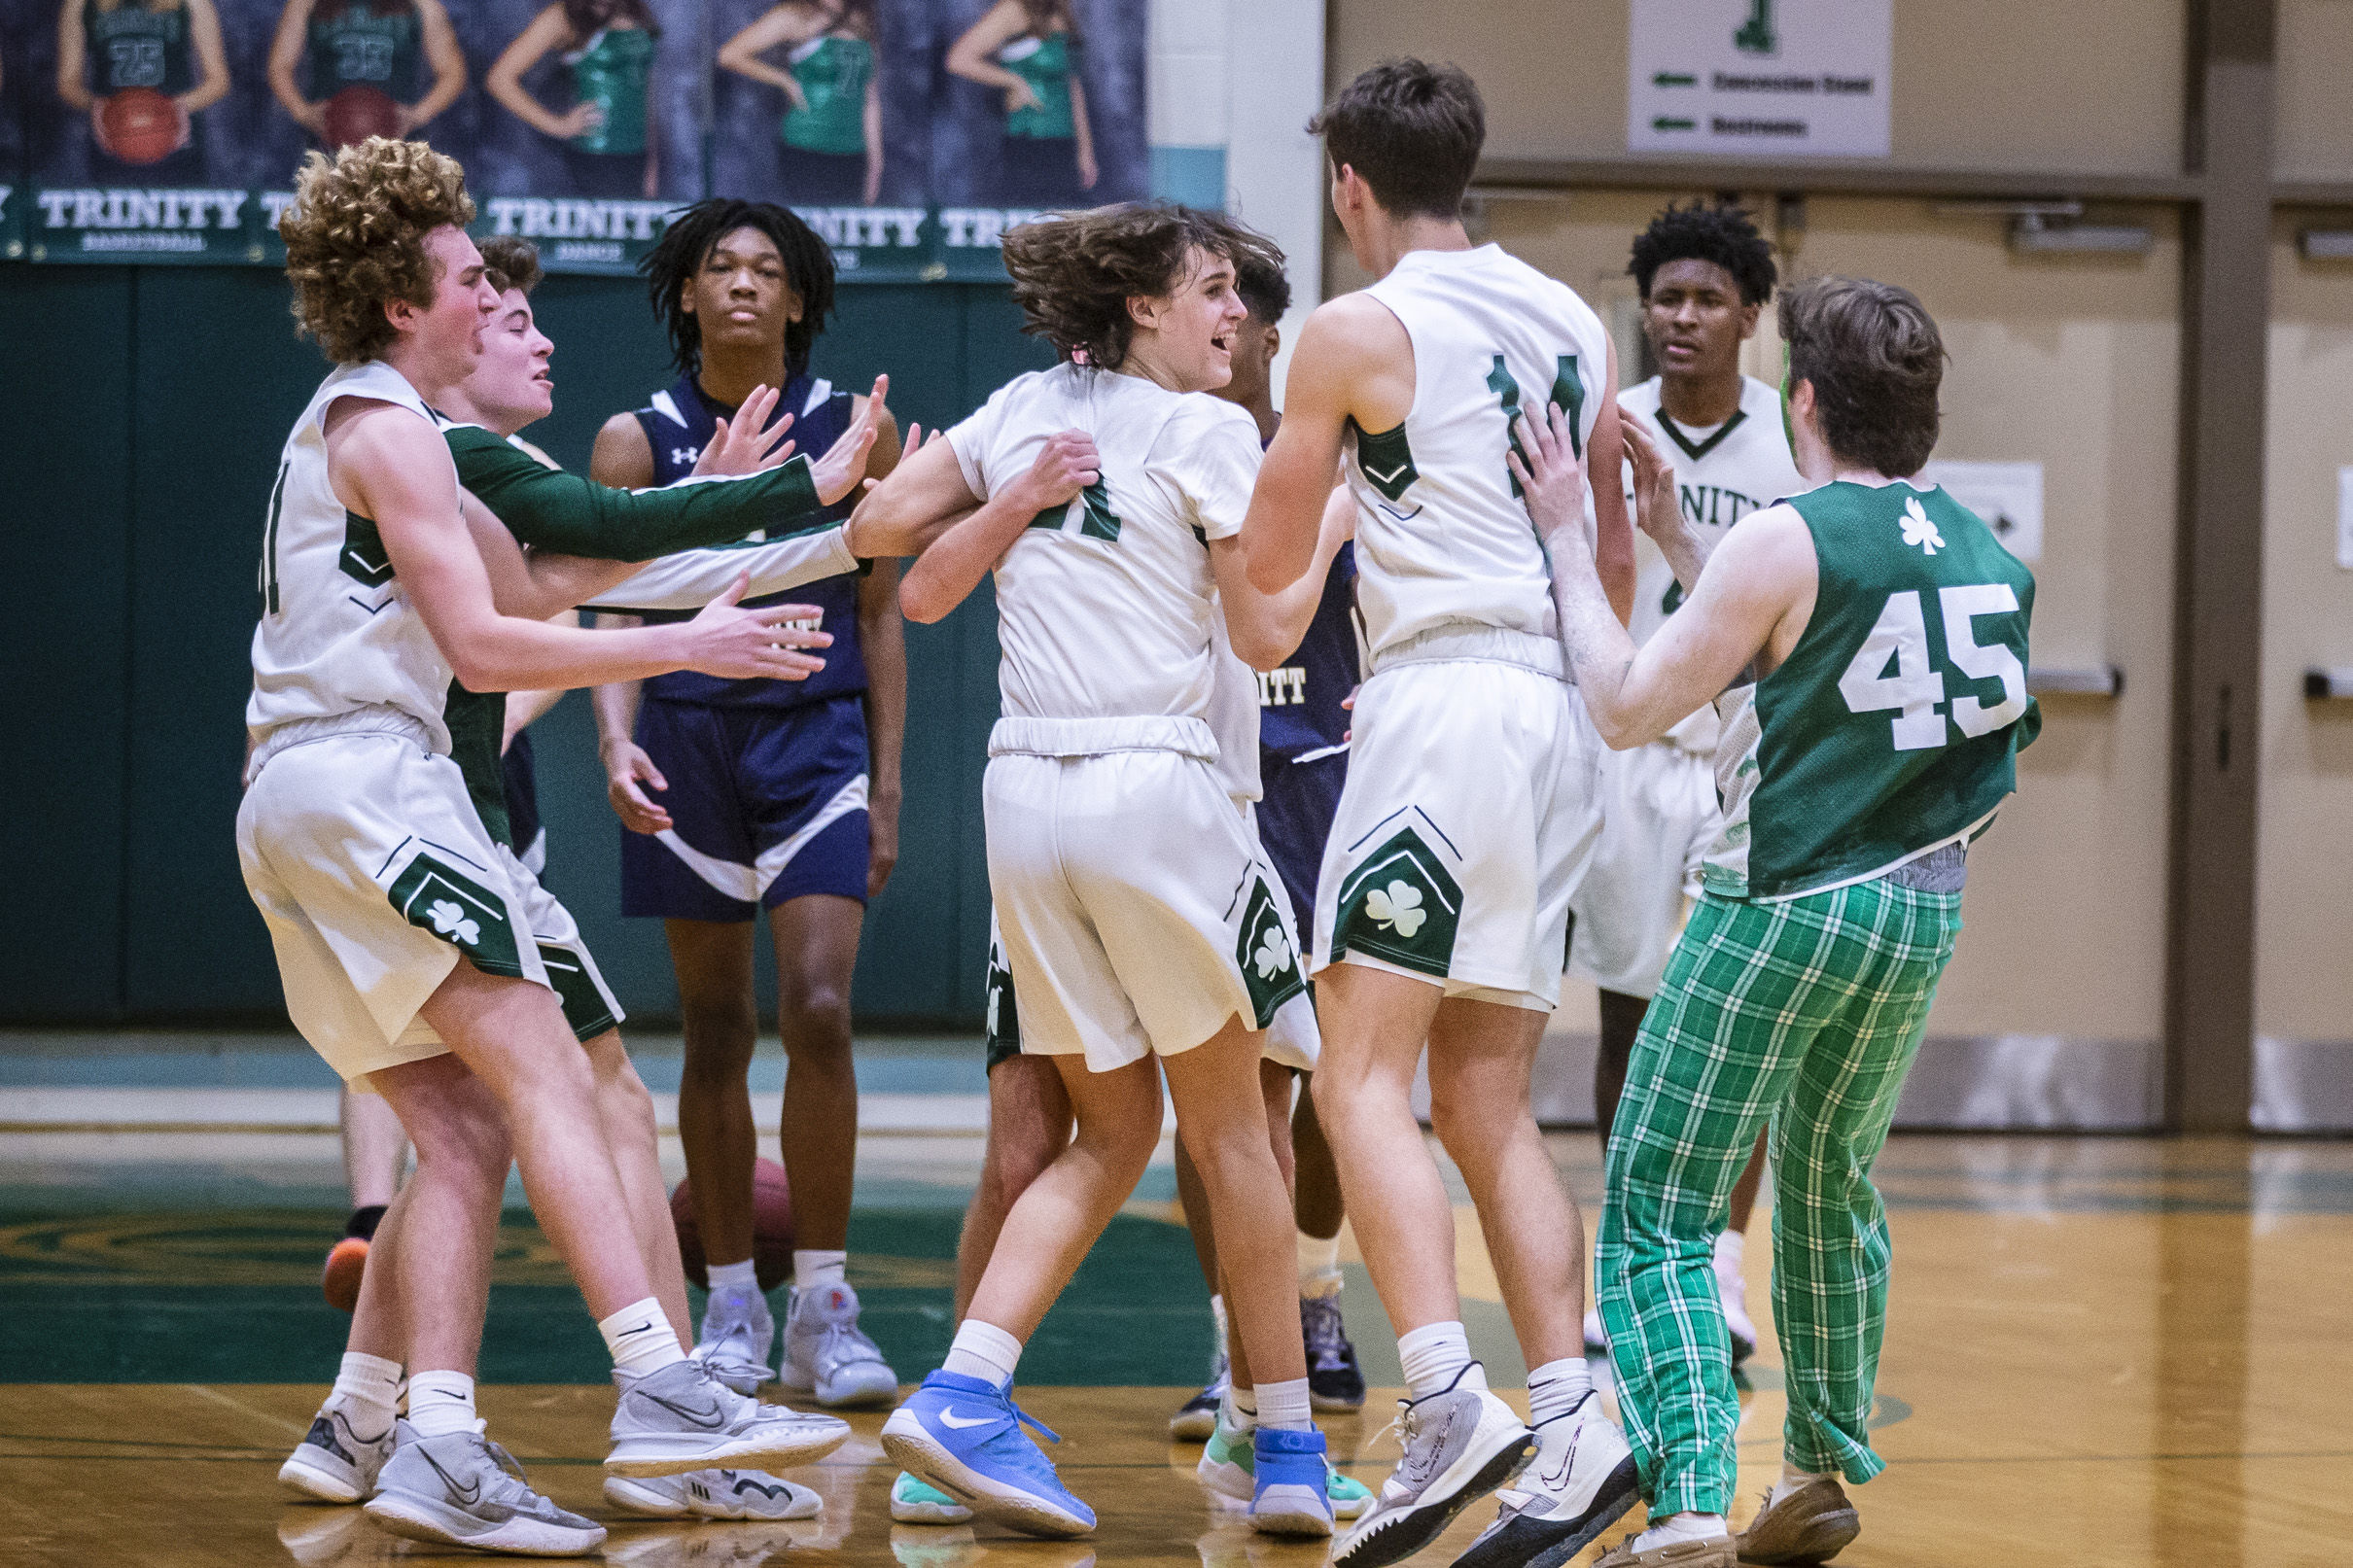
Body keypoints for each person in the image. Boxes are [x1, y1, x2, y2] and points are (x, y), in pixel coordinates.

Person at [242, 138, 869, 1554]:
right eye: (471, 278)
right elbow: (489, 642)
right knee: (555, 1077)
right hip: (370, 782)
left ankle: (418, 1433)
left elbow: (562, 574)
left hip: (312, 797)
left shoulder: (376, 427)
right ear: (403, 302)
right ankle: (660, 1386)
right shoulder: (391, 427)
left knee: (465, 1124)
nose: (493, 296)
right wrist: (697, 635)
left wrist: (757, 533)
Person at [1515, 275, 2036, 1568]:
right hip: (1920, 908)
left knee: (1658, 1199)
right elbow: (1822, 657)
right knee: (1826, 1181)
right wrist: (1679, 540)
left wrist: (1572, 538)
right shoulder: (1986, 553)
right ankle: (1813, 1467)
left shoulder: (1785, 535)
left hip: (1784, 900)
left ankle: (1689, 1495)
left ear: (1802, 399)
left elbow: (1626, 703)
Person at [856, 202, 1351, 1541]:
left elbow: (882, 527)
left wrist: (1006, 494)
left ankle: (964, 1389)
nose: (1235, 313)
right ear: (1142, 305)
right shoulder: (1206, 429)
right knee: (1238, 1132)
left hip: (1024, 795)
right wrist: (1328, 532)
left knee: (1109, 1132)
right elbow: (1263, 638)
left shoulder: (1021, 408)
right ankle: (1286, 1447)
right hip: (1158, 789)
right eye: (1213, 289)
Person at [1240, 58, 1641, 1568]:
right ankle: (1572, 1413)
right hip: (1557, 714)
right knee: (1485, 1098)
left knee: (1356, 1075)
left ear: (1349, 185)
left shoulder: (1355, 330)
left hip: (1443, 702)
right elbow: (1606, 553)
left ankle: (1443, 1398)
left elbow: (1267, 576)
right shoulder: (1572, 319)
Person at [589, 196, 908, 1411]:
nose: (739, 283)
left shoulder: (856, 432)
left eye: (764, 269)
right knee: (715, 1027)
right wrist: (613, 742)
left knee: (818, 1007)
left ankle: (824, 1306)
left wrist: (887, 781)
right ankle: (730, 1300)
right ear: (685, 292)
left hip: (816, 737)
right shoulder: (637, 440)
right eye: (718, 266)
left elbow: (878, 611)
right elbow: (610, 609)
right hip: (685, 742)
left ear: (796, 297)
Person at [1573, 201, 1807, 1365]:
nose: (1681, 316)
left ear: (1748, 316)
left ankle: (1717, 1262)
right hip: (1630, 746)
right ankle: (1628, 1257)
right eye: (1664, 296)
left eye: (1706, 298)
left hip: (1742, 756)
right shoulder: (1604, 427)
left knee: (1739, 1018)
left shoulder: (1789, 441)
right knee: (1626, 1010)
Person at [1168, 241, 1366, 1440]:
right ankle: (1232, 1333)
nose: (1222, 325)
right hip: (1200, 784)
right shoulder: (1151, 442)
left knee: (1334, 1081)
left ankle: (1316, 1291)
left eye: (1237, 309)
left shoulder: (1333, 457)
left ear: (1270, 339)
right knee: (1226, 1086)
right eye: (1205, 301)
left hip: (1325, 778)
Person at [486, 0, 657, 199]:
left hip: (638, 156)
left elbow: (642, 87)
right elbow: (499, 79)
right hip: (594, 157)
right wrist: (557, 125)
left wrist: (652, 163)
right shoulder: (564, 14)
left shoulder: (633, 8)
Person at [717, 0, 880, 206]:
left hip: (853, 152)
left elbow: (870, 98)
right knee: (805, 223)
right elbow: (729, 54)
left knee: (847, 222)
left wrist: (876, 161)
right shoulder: (796, 13)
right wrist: (783, 80)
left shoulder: (861, 16)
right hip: (806, 148)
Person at [53, 0, 229, 181]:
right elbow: (68, 83)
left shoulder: (194, 3)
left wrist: (174, 108)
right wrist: (98, 107)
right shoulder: (78, 4)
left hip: (175, 139)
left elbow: (218, 81)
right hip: (113, 136)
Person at [945, 0, 1095, 207]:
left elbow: (1072, 85)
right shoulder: (1014, 8)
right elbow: (958, 59)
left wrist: (1085, 150)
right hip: (1029, 142)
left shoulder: (1061, 9)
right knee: (1033, 218)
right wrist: (1014, 81)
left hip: (1064, 144)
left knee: (1066, 219)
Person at [266, 0, 465, 147]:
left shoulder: (422, 5)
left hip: (397, 143)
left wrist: (418, 115)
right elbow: (280, 66)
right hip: (328, 141)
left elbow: (452, 71)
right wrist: (302, 112)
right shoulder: (305, 3)